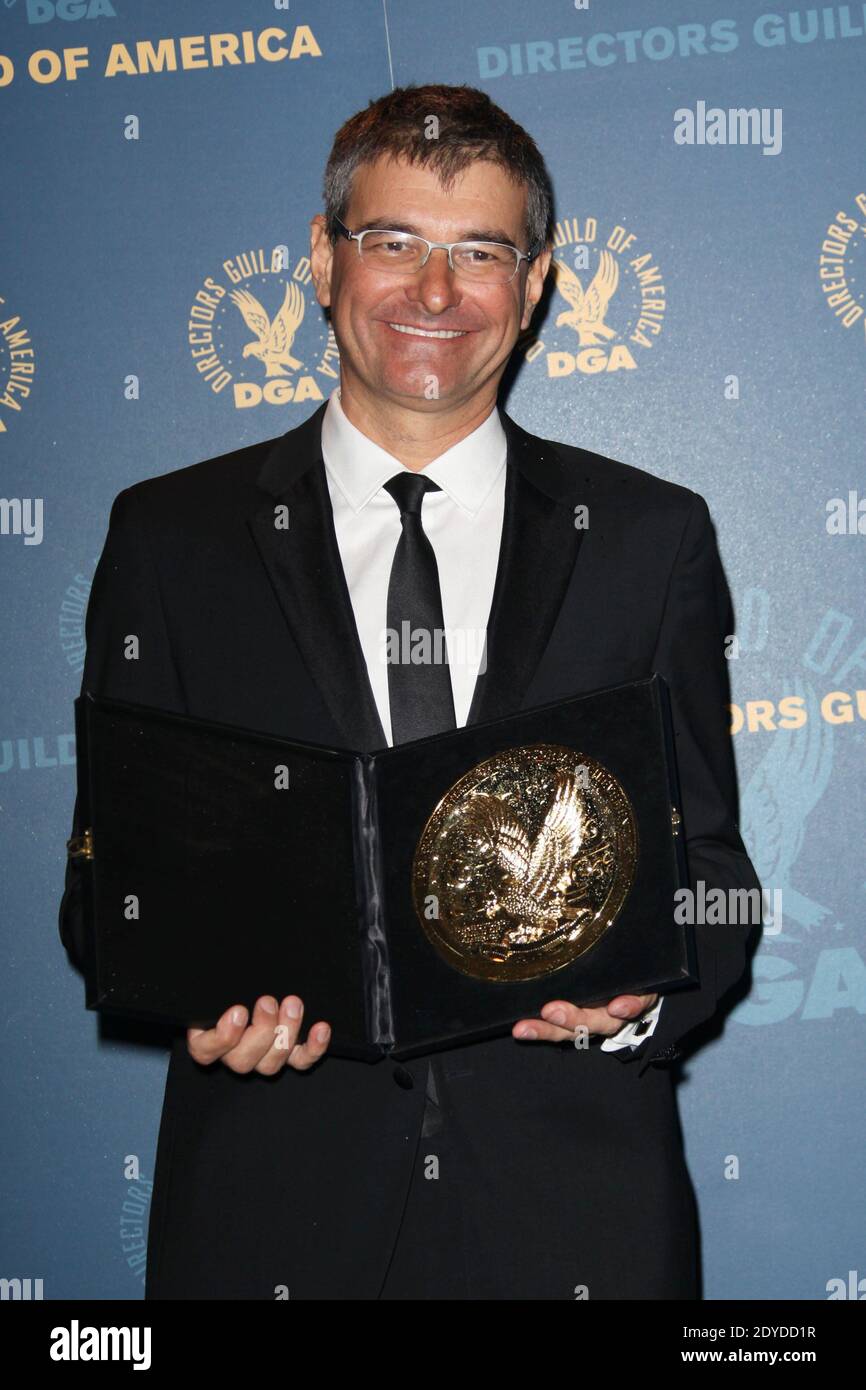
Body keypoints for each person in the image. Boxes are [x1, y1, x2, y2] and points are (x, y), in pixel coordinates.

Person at [59, 83, 760, 1300]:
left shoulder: (650, 539)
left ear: (533, 284)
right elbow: (103, 885)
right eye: (392, 243)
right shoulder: (171, 539)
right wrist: (188, 993)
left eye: (477, 251)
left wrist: (647, 998)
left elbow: (711, 878)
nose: (433, 295)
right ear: (322, 263)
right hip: (267, 1223)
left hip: (576, 1229)